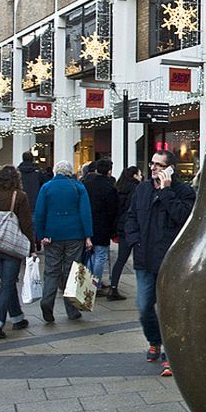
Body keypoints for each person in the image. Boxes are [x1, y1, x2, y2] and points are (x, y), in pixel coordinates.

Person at [125, 149, 195, 377]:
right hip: (144, 258)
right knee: (144, 306)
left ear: (171, 169)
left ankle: (170, 355)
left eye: (159, 165)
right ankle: (154, 340)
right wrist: (134, 239)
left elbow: (183, 218)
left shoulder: (184, 192)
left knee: (168, 310)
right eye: (153, 164)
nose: (153, 168)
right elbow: (131, 217)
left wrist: (166, 192)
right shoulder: (142, 189)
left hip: (170, 260)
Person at [34, 160, 93, 323]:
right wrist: (88, 235)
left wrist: (41, 235)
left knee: (51, 271)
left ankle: (47, 301)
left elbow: (39, 213)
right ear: (69, 172)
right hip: (75, 234)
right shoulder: (78, 187)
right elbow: (85, 212)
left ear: (55, 171)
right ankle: (71, 310)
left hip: (52, 235)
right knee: (71, 272)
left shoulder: (46, 187)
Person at [0, 165, 34, 339]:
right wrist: (31, 248)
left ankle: (17, 317)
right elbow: (26, 225)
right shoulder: (19, 196)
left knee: (8, 282)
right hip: (12, 247)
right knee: (8, 283)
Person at [82, 158, 119, 295]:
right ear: (109, 171)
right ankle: (95, 284)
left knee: (90, 254)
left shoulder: (86, 183)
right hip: (103, 224)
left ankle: (87, 282)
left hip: (88, 222)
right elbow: (113, 210)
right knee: (100, 255)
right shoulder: (110, 187)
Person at [108, 165, 143, 299]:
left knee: (121, 258)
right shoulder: (137, 189)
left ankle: (113, 286)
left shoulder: (119, 188)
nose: (141, 177)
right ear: (135, 176)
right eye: (140, 174)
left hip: (122, 226)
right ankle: (143, 290)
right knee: (140, 259)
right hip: (133, 226)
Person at [17, 150, 48, 216]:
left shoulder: (17, 172)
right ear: (32, 159)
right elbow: (45, 182)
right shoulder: (37, 172)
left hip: (20, 202)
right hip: (35, 202)